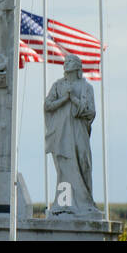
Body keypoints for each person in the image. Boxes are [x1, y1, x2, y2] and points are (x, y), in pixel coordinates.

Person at [44, 54, 101, 217]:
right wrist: (64, 99)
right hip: (61, 132)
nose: (67, 64)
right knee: (64, 168)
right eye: (66, 62)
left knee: (84, 163)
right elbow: (48, 106)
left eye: (71, 62)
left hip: (79, 131)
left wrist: (74, 99)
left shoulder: (86, 87)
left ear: (77, 68)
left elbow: (91, 112)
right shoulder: (58, 85)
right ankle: (64, 203)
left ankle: (86, 203)